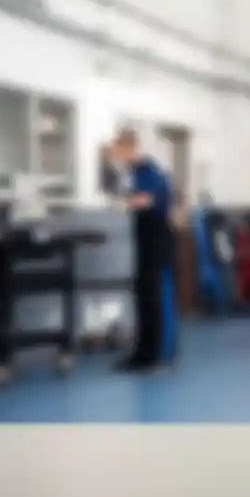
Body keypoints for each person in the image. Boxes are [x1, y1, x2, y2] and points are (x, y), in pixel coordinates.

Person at [111, 129, 175, 372]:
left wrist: (122, 202)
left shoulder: (149, 171)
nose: (118, 156)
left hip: (156, 238)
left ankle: (152, 356)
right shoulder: (135, 172)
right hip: (145, 237)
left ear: (129, 148)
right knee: (143, 295)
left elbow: (145, 200)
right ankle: (141, 353)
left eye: (119, 151)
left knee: (151, 296)